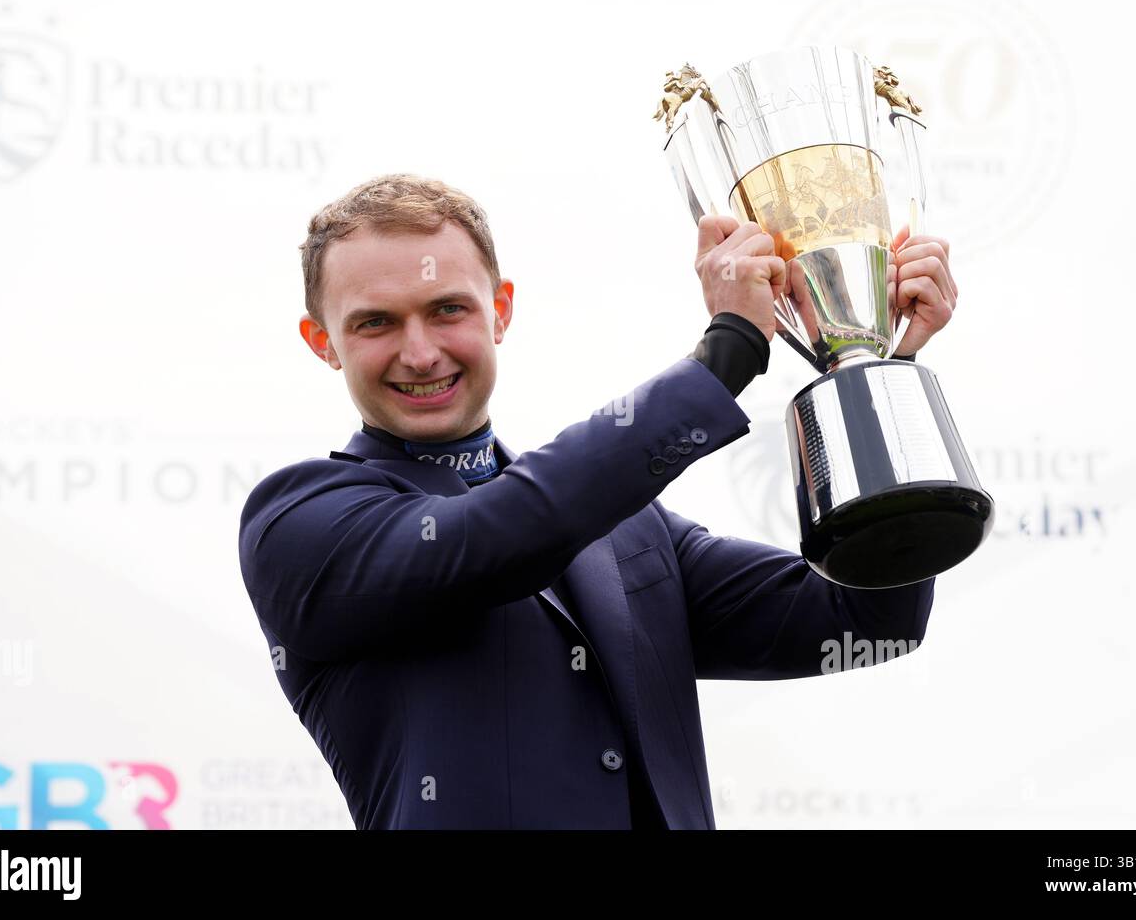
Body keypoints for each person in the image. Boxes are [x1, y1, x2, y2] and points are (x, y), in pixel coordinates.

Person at [237, 173, 959, 829]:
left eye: (447, 308)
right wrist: (726, 353)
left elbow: (868, 613)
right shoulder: (297, 523)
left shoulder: (627, 529)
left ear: (501, 310)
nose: (420, 351)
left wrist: (866, 367)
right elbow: (495, 534)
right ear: (322, 341)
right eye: (375, 322)